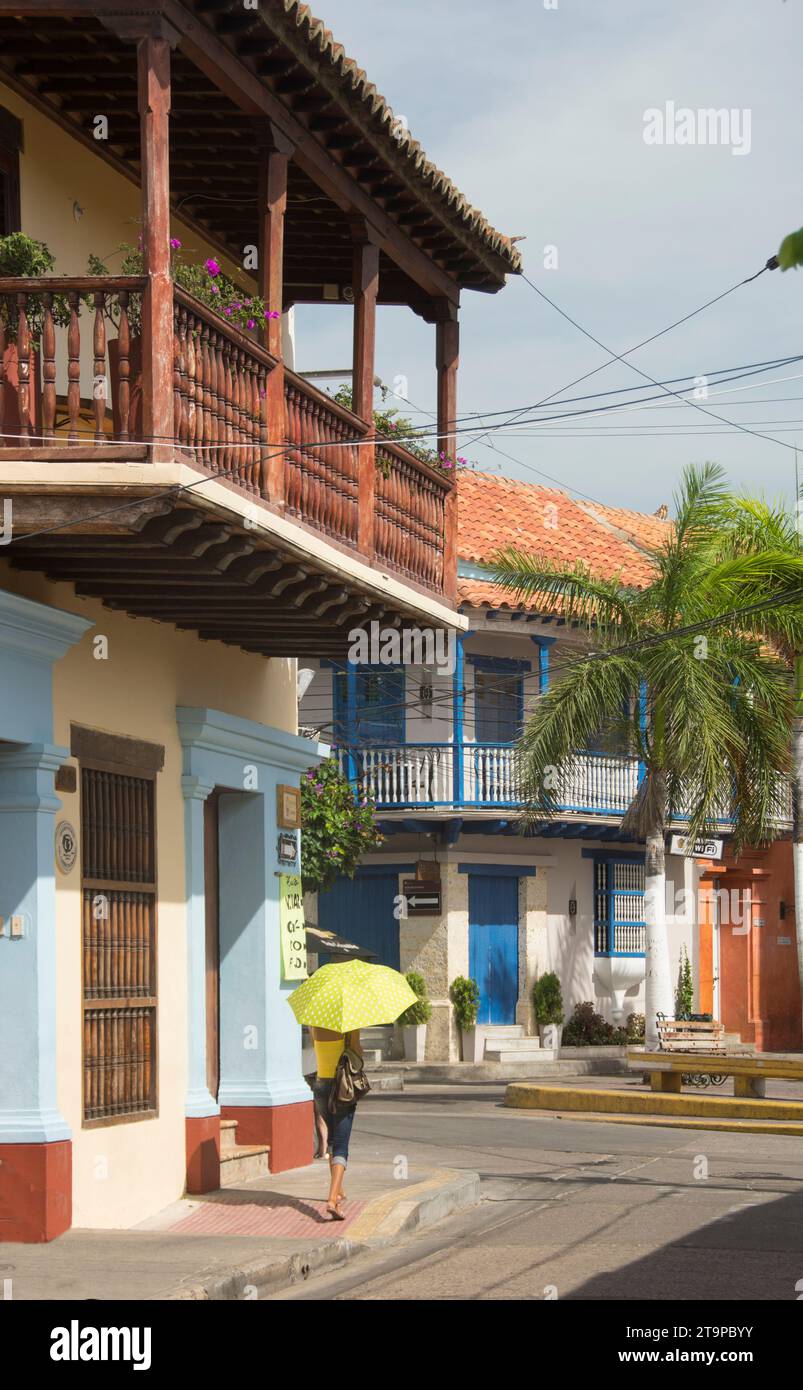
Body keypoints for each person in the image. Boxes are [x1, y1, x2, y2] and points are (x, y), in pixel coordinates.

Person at [311, 1025, 362, 1219]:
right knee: (341, 1144)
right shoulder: (349, 1025)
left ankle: (338, 1188)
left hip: (321, 1084)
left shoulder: (314, 1021)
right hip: (342, 1086)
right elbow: (356, 1051)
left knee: (332, 1139)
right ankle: (332, 1200)